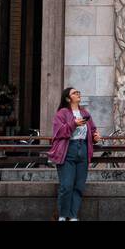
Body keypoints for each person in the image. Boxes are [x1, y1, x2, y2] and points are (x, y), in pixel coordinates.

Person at [49, 85, 100, 221]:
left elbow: (93, 129)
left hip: (83, 148)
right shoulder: (62, 113)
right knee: (66, 186)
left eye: (78, 92)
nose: (78, 94)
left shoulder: (85, 113)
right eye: (74, 93)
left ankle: (72, 216)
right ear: (67, 98)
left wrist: (95, 135)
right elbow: (58, 133)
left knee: (79, 185)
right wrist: (73, 124)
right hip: (68, 150)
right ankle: (62, 215)